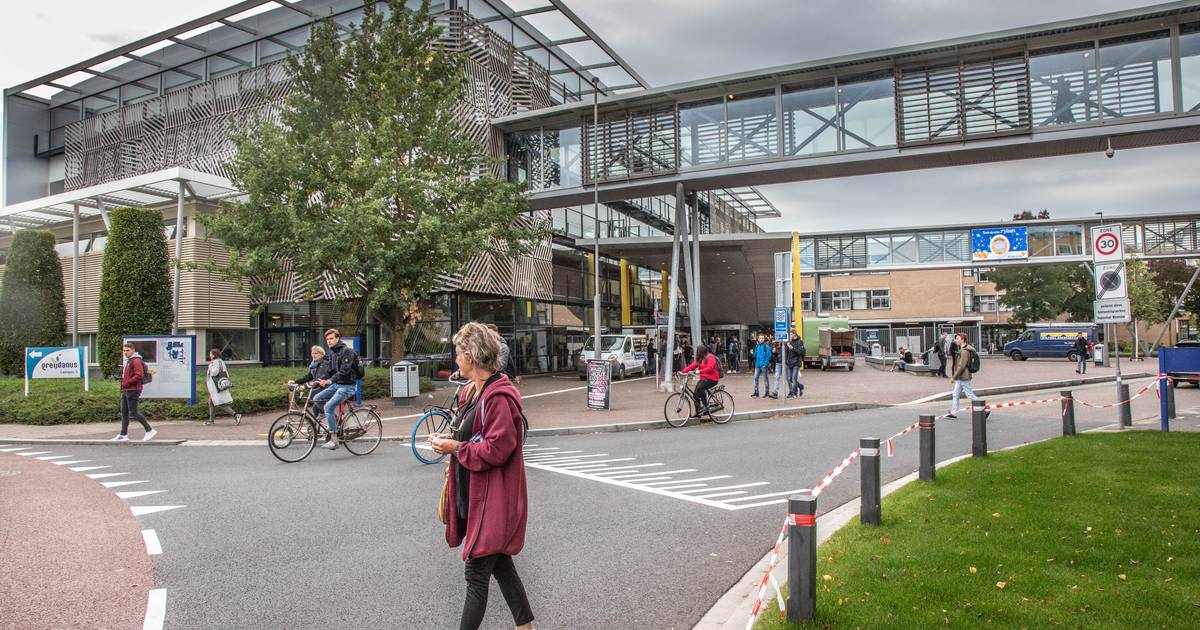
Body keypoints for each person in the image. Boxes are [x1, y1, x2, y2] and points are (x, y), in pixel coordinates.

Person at [429, 322, 534, 630]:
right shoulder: (473, 391)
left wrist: (455, 447)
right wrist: (452, 444)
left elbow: (497, 449)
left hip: (492, 499)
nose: (455, 358)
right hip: (479, 495)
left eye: (458, 353)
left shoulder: (498, 397)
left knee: (476, 573)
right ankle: (526, 628)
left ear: (471, 356)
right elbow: (472, 436)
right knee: (500, 564)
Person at [310, 328, 359, 450]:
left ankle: (334, 439)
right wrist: (320, 380)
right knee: (316, 399)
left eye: (331, 338)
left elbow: (345, 371)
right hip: (337, 385)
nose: (329, 341)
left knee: (328, 407)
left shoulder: (347, 351)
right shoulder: (331, 353)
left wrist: (330, 380)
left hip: (348, 386)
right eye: (327, 339)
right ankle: (336, 419)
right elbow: (329, 371)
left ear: (338, 338)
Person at [113, 342, 156, 441]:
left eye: (127, 351)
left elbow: (139, 375)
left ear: (133, 350)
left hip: (133, 389)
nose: (125, 352)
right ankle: (123, 435)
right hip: (126, 389)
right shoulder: (129, 361)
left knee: (134, 412)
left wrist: (126, 383)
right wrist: (124, 385)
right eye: (124, 350)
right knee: (124, 412)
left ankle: (149, 430)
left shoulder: (136, 361)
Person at [948, 333, 989, 420]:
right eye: (956, 339)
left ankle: (984, 409)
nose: (956, 340)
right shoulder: (965, 349)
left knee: (969, 394)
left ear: (963, 340)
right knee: (955, 394)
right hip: (962, 376)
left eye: (957, 339)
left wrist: (954, 377)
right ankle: (953, 412)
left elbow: (961, 366)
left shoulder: (964, 351)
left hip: (963, 376)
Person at [680, 344, 721, 417]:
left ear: (702, 352)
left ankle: (706, 406)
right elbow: (691, 366)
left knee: (700, 388)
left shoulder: (710, 357)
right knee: (695, 396)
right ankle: (698, 412)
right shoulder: (700, 359)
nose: (698, 353)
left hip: (712, 378)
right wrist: (682, 372)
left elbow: (710, 368)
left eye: (699, 352)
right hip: (704, 378)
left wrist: (699, 371)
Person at [204, 349, 242, 426]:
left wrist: (210, 366)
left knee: (219, 403)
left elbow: (215, 373)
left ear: (214, 355)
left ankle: (235, 415)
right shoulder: (220, 361)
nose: (209, 355)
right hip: (219, 385)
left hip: (216, 387)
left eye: (210, 354)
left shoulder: (215, 362)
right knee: (211, 402)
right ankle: (211, 420)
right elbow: (226, 373)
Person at [752, 333, 772, 398]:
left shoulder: (766, 346)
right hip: (757, 365)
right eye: (760, 338)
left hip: (763, 366)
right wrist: (753, 353)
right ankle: (756, 392)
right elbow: (755, 355)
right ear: (758, 339)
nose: (761, 339)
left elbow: (769, 356)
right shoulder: (757, 346)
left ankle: (767, 393)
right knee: (755, 378)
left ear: (764, 339)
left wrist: (765, 364)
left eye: (762, 338)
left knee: (765, 379)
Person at [786, 332, 805, 398]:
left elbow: (800, 352)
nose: (790, 336)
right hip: (790, 363)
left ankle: (794, 394)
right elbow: (787, 353)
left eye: (791, 334)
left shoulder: (799, 341)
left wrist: (792, 348)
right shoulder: (789, 342)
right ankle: (800, 386)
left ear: (795, 334)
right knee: (789, 379)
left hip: (796, 362)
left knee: (794, 378)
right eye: (789, 335)